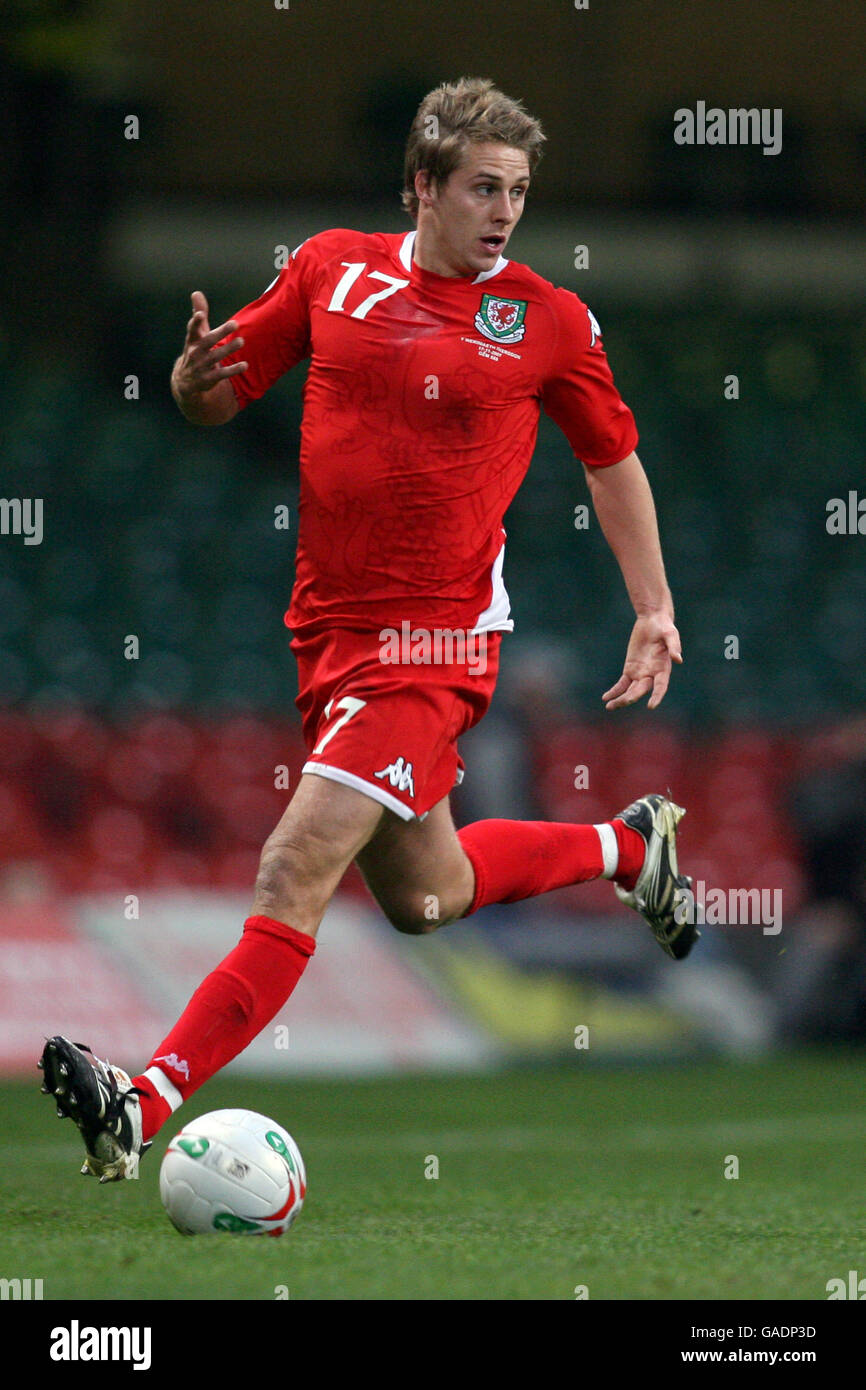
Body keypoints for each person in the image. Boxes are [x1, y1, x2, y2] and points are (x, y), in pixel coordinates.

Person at [40, 77, 695, 1182]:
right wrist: (190, 379)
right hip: (327, 638)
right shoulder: (329, 269)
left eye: (519, 192)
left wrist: (653, 607)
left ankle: (140, 1103)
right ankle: (628, 846)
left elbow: (609, 458)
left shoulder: (544, 319)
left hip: (435, 648)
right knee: (425, 894)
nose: (503, 211)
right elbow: (218, 395)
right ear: (422, 188)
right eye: (482, 187)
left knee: (293, 861)